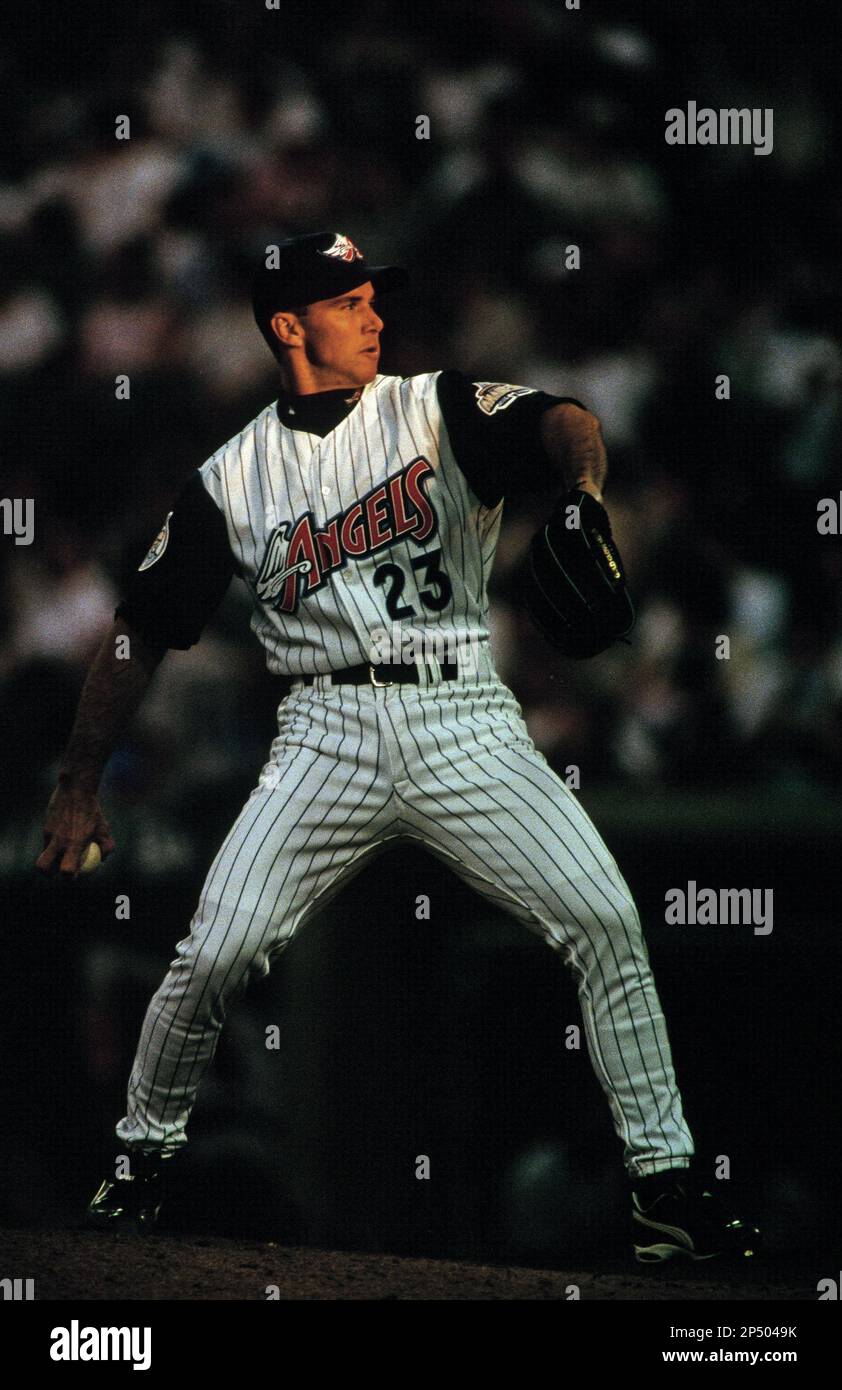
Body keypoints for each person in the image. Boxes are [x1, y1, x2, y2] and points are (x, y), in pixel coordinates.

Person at [37, 230, 759, 1262]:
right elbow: (136, 629)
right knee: (217, 950)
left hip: (463, 714)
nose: (375, 312)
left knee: (602, 917)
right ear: (290, 326)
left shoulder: (433, 405)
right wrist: (77, 781)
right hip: (321, 733)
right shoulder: (230, 479)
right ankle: (138, 1164)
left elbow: (566, 421)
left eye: (376, 295)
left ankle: (666, 1183)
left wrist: (584, 492)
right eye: (349, 300)